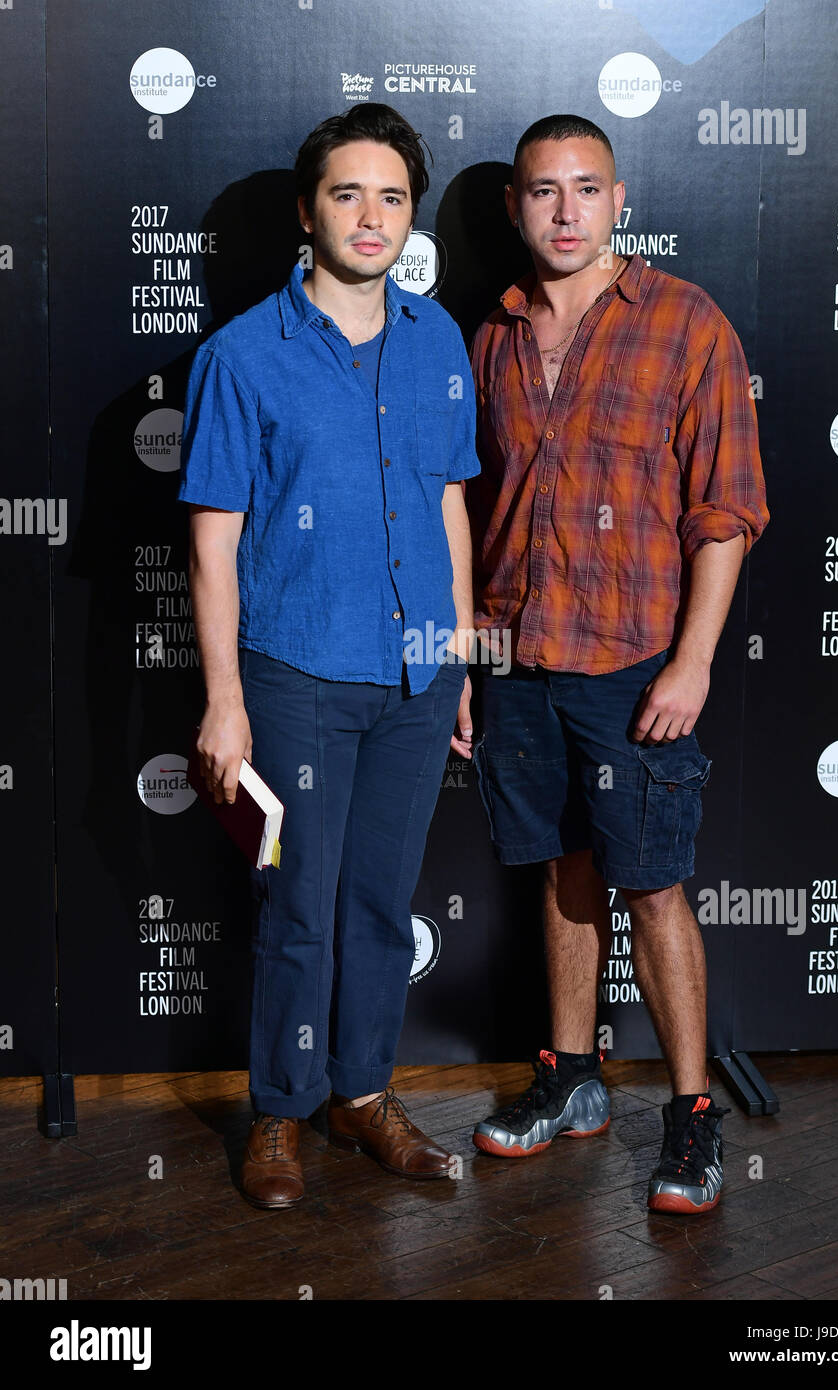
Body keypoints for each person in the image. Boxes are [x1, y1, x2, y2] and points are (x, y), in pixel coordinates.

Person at [465, 114, 769, 1213]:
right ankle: (572, 1077)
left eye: (583, 189)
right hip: (518, 657)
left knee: (650, 886)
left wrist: (690, 662)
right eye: (542, 191)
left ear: (617, 200)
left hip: (636, 662)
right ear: (513, 205)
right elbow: (469, 508)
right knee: (560, 870)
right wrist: (466, 656)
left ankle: (689, 1115)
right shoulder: (490, 336)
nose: (563, 211)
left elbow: (724, 513)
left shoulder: (685, 324)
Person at [177, 103, 478, 1209]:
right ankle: (280, 1111)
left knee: (377, 900)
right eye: (347, 193)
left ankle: (362, 1092)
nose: (370, 216)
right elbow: (211, 541)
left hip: (412, 680)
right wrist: (222, 700)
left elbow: (449, 503)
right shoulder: (242, 356)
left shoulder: (437, 339)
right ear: (307, 211)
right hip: (293, 675)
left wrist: (457, 657)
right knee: (298, 905)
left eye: (391, 196)